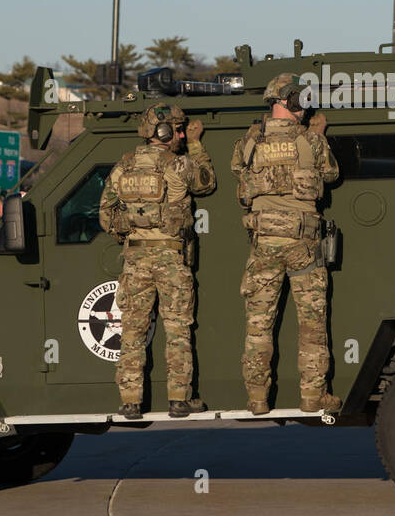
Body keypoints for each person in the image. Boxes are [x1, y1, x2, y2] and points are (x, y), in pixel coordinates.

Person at [231, 73, 341, 415]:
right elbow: (332, 174)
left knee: (258, 325)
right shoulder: (313, 142)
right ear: (293, 100)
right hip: (303, 242)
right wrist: (317, 136)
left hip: (264, 242)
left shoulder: (248, 144)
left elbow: (238, 171)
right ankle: (312, 398)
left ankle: (258, 399)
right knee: (312, 324)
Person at [99, 103, 216, 419]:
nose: (179, 134)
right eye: (177, 130)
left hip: (135, 258)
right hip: (171, 257)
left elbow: (105, 212)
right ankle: (179, 398)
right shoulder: (178, 165)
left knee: (132, 330)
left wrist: (126, 234)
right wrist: (195, 143)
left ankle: (130, 401)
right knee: (178, 328)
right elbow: (207, 181)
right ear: (163, 132)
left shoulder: (123, 167)